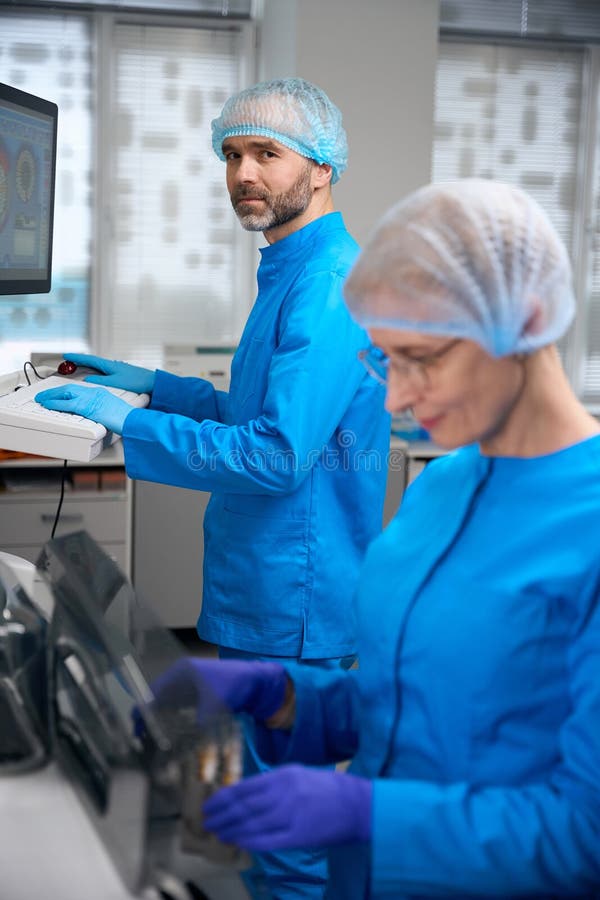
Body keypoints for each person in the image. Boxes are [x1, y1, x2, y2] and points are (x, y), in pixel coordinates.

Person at [152, 179, 600, 898]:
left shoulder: (588, 525)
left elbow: (585, 836)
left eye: (421, 357)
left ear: (529, 319)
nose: (395, 398)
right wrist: (288, 696)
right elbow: (433, 708)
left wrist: (367, 811)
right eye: (384, 359)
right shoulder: (442, 488)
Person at [36, 77, 390, 898]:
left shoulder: (328, 282)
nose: (243, 173)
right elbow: (250, 409)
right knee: (267, 800)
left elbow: (275, 453)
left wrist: (128, 424)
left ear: (324, 165)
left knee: (283, 820)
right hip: (272, 585)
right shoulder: (292, 268)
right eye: (231, 154)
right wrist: (149, 386)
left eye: (267, 152)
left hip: (294, 599)